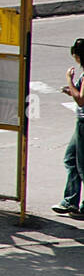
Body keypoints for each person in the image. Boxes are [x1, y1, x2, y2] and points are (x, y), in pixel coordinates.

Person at [52, 39, 84, 217]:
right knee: (70, 159)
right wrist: (71, 89)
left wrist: (69, 81)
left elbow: (80, 99)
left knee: (81, 165)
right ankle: (70, 200)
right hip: (80, 123)